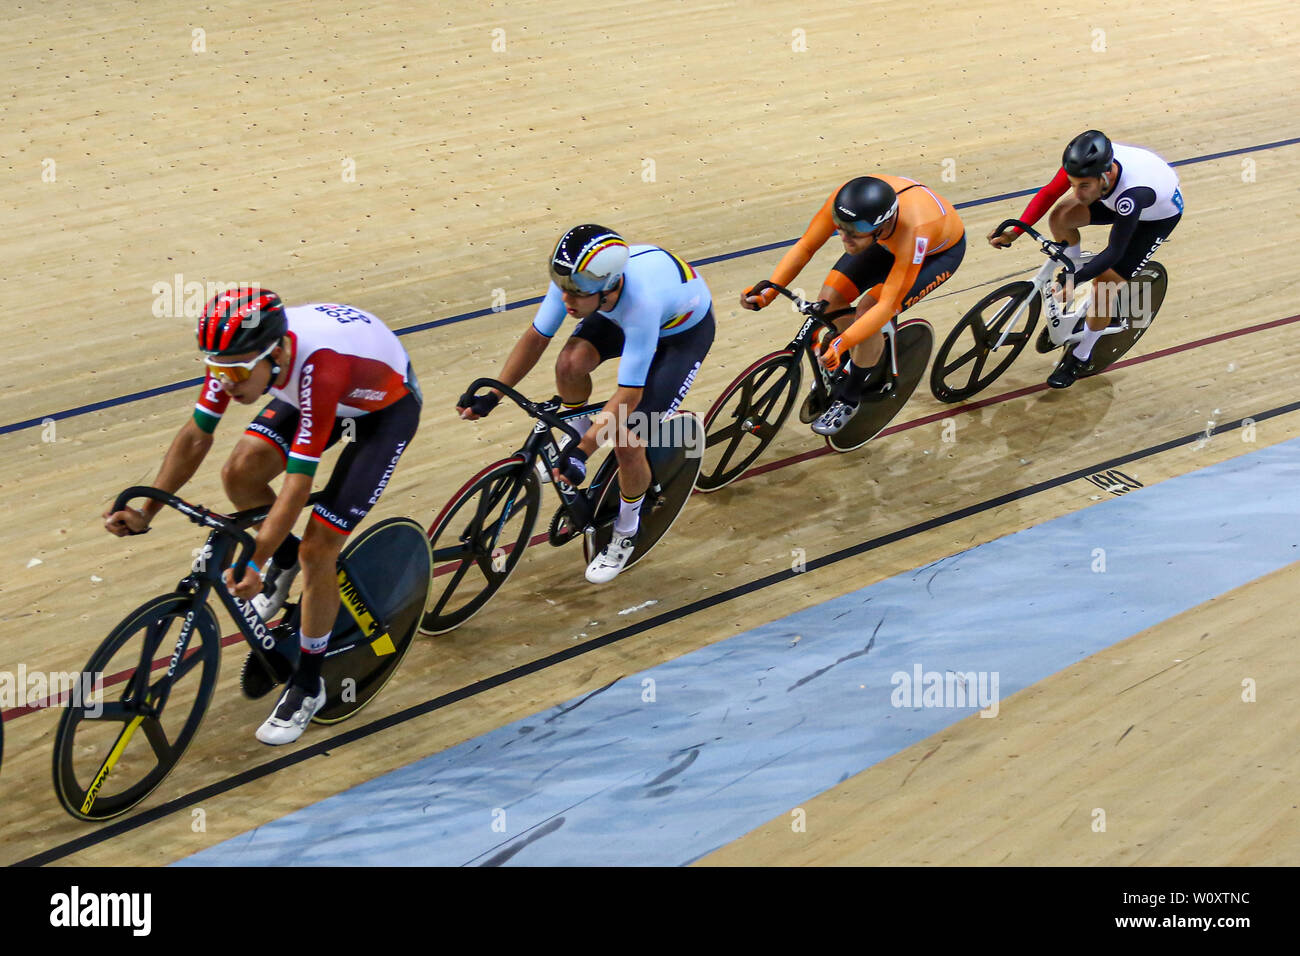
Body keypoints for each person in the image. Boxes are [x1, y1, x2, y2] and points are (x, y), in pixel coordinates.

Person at [102, 288, 422, 745]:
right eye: (215, 370)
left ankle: (308, 684)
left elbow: (297, 482)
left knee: (319, 549)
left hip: (383, 409)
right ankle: (285, 563)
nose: (225, 383)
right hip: (315, 393)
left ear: (278, 353)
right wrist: (145, 509)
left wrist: (255, 559)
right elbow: (196, 436)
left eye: (234, 373)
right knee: (240, 472)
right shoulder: (239, 355)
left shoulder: (318, 365)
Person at [458, 225, 713, 584]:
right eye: (564, 289)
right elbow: (536, 338)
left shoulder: (640, 303)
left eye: (575, 295)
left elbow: (629, 395)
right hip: (616, 315)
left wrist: (585, 451)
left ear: (608, 285)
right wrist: (495, 393)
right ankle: (573, 434)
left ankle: (627, 529)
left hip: (681, 337)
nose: (566, 302)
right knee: (569, 364)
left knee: (628, 438)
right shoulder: (575, 280)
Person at [741, 175, 965, 434]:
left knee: (870, 310)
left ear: (882, 225)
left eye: (853, 233)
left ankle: (850, 397)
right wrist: (769, 291)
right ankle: (857, 354)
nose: (844, 238)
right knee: (829, 300)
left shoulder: (915, 231)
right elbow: (806, 246)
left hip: (933, 254)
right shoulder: (846, 203)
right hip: (884, 241)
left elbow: (886, 307)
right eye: (840, 227)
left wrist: (841, 342)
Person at [987, 130, 1183, 388]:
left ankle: (1080, 356)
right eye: (1073, 184)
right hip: (1108, 197)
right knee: (1062, 215)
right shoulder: (1083, 167)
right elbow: (1048, 194)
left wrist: (1073, 278)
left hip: (1154, 218)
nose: (1077, 192)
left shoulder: (1132, 194)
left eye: (1083, 186)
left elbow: (1115, 251)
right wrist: (1016, 231)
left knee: (1105, 284)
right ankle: (1069, 309)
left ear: (1107, 174)